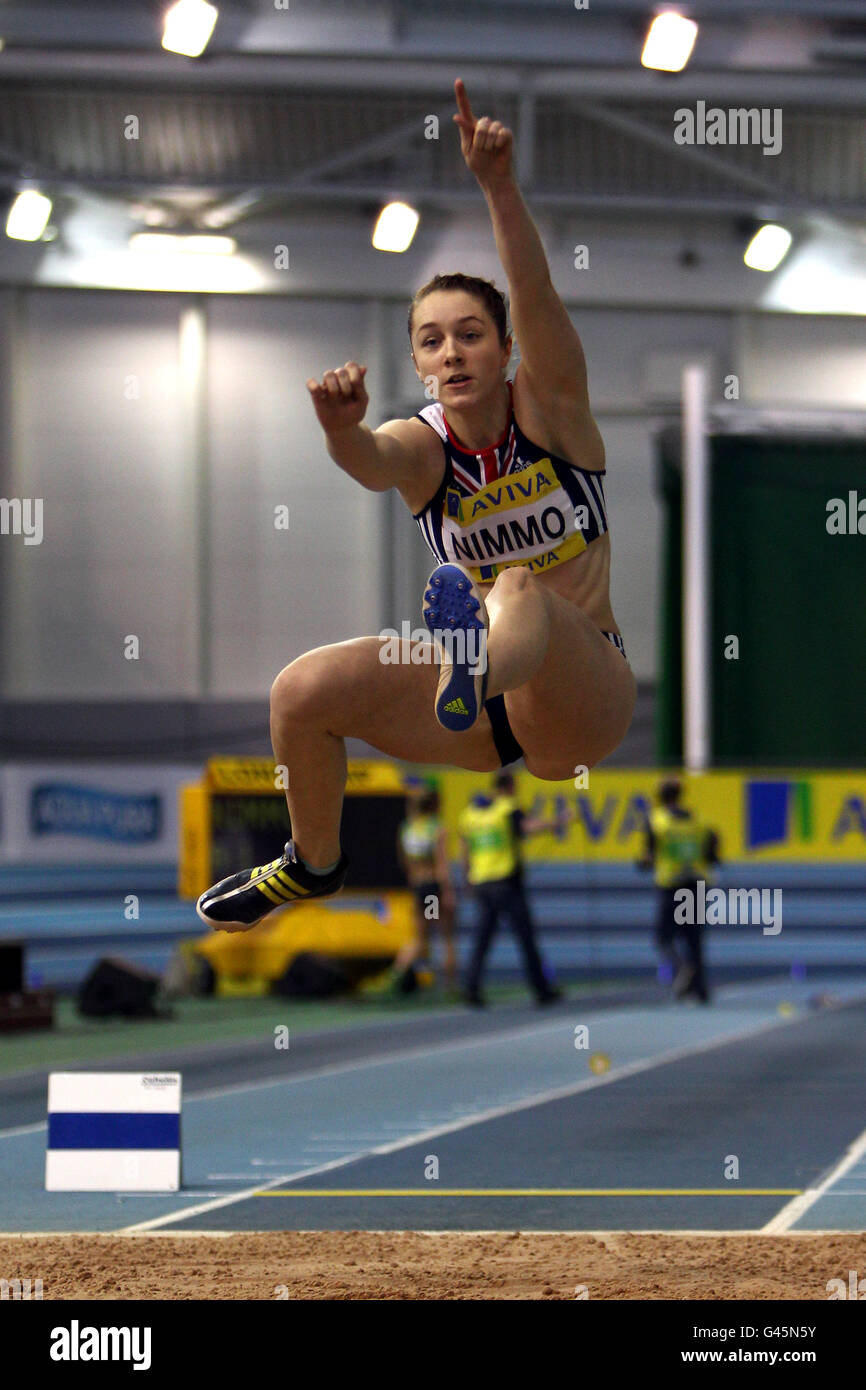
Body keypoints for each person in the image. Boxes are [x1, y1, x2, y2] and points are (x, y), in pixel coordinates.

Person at [196, 77, 636, 933]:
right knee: (301, 692)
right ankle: (313, 863)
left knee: (517, 586)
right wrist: (338, 429)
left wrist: (498, 188)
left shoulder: (554, 416)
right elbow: (371, 461)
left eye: (471, 333)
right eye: (432, 341)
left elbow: (538, 298)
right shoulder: (426, 445)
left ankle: (472, 663)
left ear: (505, 351)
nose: (452, 351)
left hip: (583, 693)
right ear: (421, 362)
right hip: (478, 721)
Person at [459, 772, 566, 1006]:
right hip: (506, 882)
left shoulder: (471, 814)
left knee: (482, 939)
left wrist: (467, 878)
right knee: (526, 938)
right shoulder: (507, 808)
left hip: (482, 883)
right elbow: (527, 827)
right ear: (507, 787)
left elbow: (465, 848)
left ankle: (471, 988)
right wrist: (557, 822)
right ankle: (541, 990)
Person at [640, 777, 721, 1004]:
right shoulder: (699, 821)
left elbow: (649, 855)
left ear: (660, 797)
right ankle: (701, 989)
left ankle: (681, 969)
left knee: (663, 937)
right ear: (680, 795)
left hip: (671, 884)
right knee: (694, 938)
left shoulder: (657, 821)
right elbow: (713, 848)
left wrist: (644, 863)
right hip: (697, 883)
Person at [390, 781, 457, 993]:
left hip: (418, 886)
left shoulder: (407, 828)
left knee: (420, 937)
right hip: (433, 888)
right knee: (445, 937)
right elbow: (441, 864)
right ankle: (449, 987)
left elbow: (403, 862)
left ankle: (396, 974)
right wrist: (447, 891)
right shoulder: (437, 828)